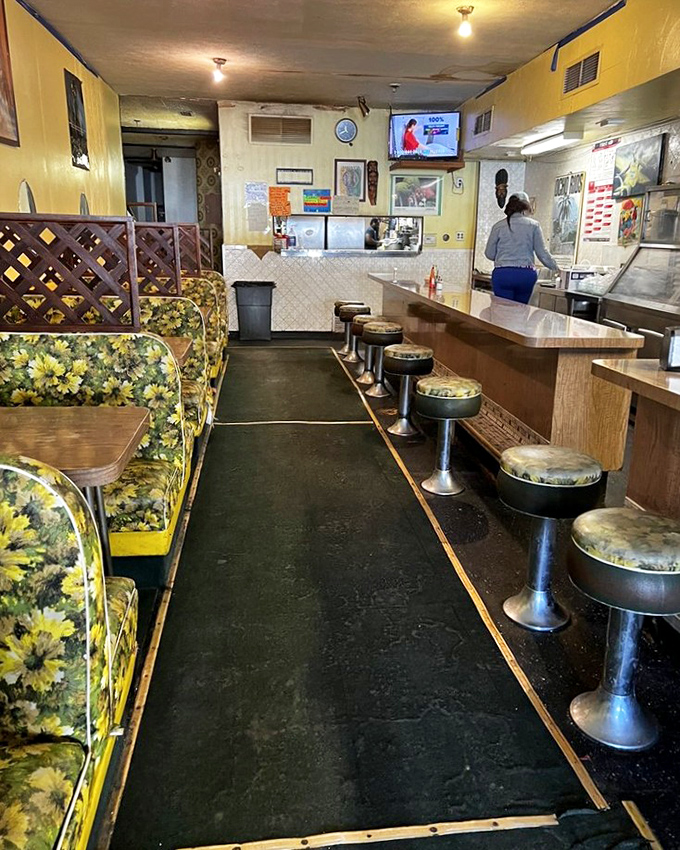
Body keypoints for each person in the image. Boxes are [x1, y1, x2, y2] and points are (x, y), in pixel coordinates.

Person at [484, 192, 559, 304]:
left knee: (502, 310)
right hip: (526, 275)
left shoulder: (498, 226)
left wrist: (503, 257)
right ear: (526, 206)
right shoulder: (534, 225)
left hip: (503, 274)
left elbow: (489, 253)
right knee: (521, 309)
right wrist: (556, 267)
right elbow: (542, 253)